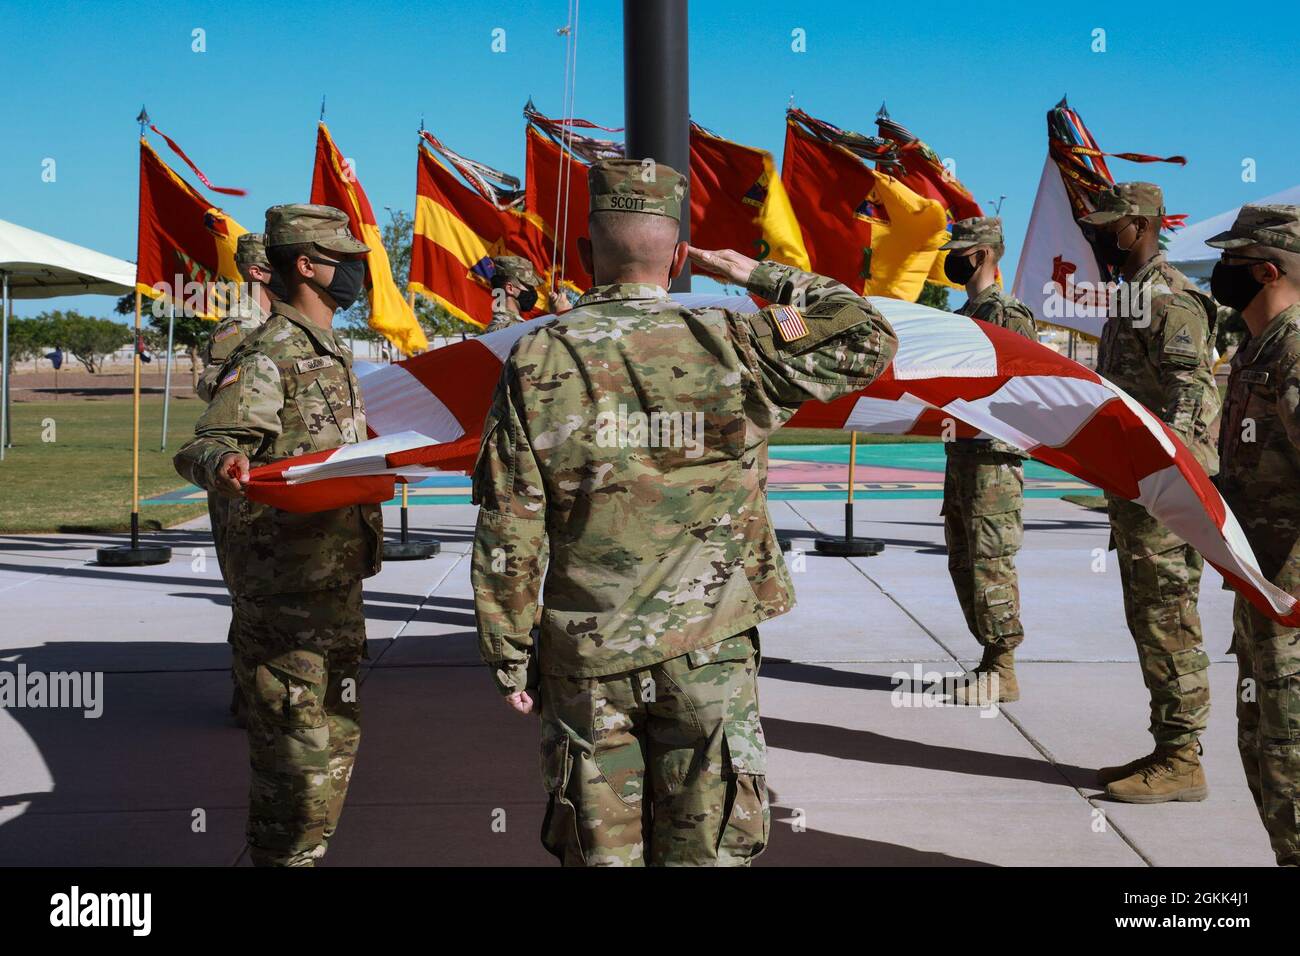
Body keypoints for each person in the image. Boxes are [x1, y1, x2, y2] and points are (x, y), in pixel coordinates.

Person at [471, 158, 898, 866]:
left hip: (588, 655)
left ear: (584, 255)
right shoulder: (735, 340)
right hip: (710, 645)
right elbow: (865, 332)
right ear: (675, 256)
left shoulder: (538, 354)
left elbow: (510, 519)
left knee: (600, 850)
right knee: (707, 847)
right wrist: (752, 274)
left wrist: (510, 653)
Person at [174, 204, 383, 866]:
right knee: (292, 761)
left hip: (333, 581)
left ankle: (307, 853)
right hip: (284, 589)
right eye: (342, 258)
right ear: (307, 266)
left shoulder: (330, 348)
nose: (355, 269)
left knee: (337, 736)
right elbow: (205, 444)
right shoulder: (270, 353)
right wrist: (227, 465)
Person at [1079, 182, 1220, 803]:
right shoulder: (1131, 297)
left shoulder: (1168, 297)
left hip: (1163, 489)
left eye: (1109, 226)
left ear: (1139, 226)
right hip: (1140, 486)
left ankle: (1184, 759)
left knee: (1168, 617)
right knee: (1149, 617)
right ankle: (1169, 745)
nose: (1099, 235)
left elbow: (1191, 397)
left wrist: (1166, 482)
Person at [1208, 203, 1300, 866]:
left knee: (1292, 760)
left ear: (1267, 270)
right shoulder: (1255, 349)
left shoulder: (1296, 351)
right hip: (1261, 591)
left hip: (1293, 601)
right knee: (1264, 750)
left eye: (1232, 264)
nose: (1220, 276)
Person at [938, 217, 1038, 705]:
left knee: (990, 562)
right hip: (963, 454)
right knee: (964, 561)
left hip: (994, 460)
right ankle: (988, 660)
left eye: (958, 251)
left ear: (980, 254)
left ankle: (1004, 667)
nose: (950, 259)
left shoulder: (1007, 313)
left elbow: (1020, 385)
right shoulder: (965, 313)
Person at [196, 232, 278, 728]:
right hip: (240, 474)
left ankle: (264, 692)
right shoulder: (240, 326)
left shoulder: (279, 325)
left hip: (269, 474)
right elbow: (211, 384)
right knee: (250, 588)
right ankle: (250, 697)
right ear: (258, 272)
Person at [483, 255, 570, 333]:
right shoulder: (508, 329)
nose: (533, 291)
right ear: (510, 288)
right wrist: (561, 317)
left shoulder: (510, 326)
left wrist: (553, 315)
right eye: (528, 286)